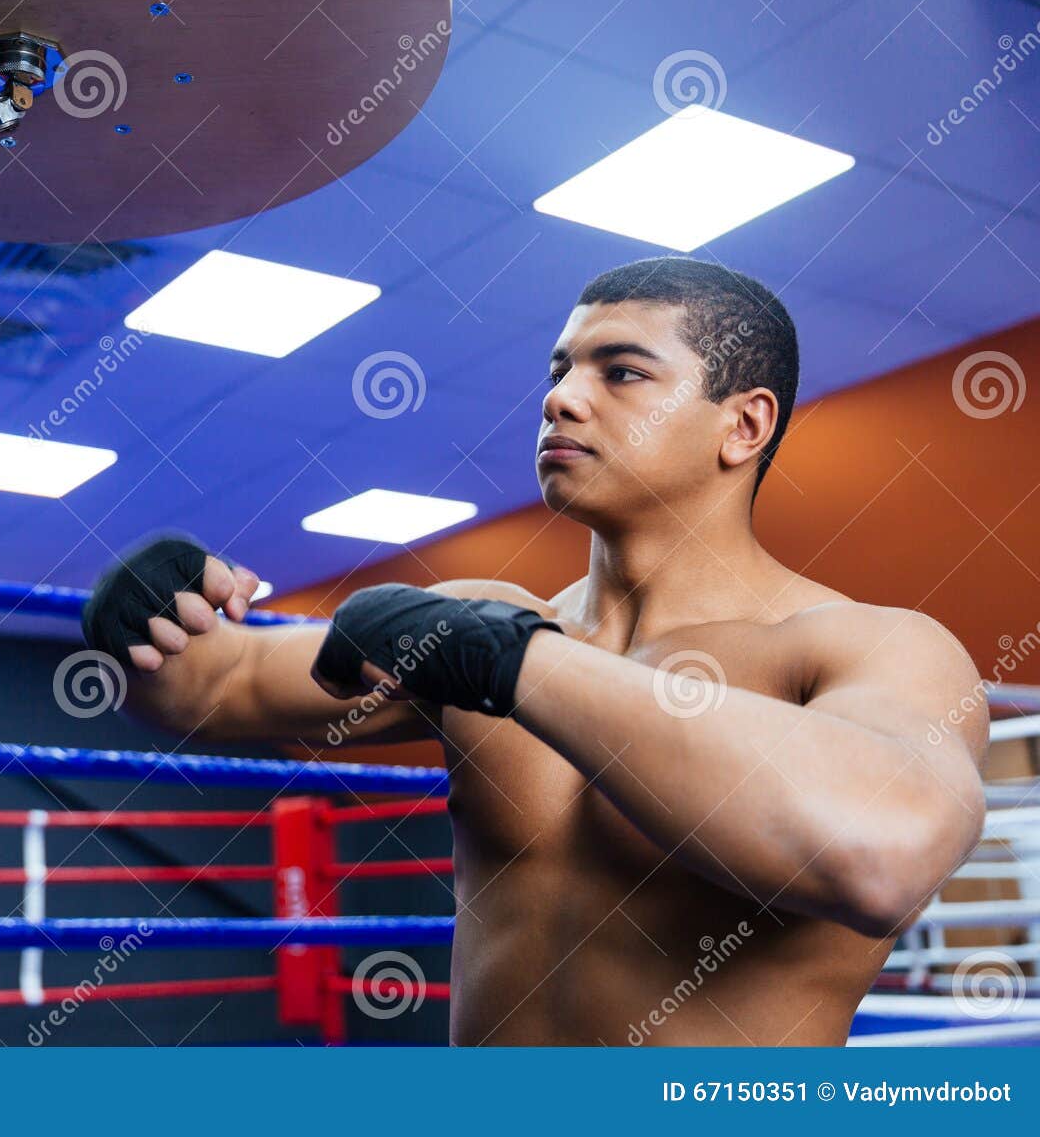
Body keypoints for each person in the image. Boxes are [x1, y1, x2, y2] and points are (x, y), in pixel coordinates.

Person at [80, 257, 989, 1045]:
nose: (561, 396)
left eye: (623, 371)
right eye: (560, 368)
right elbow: (207, 686)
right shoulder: (483, 620)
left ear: (743, 426)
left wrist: (520, 663)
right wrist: (145, 612)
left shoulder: (868, 646)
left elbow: (882, 852)